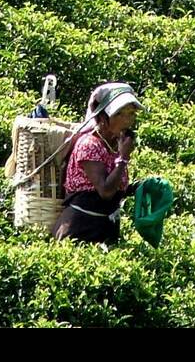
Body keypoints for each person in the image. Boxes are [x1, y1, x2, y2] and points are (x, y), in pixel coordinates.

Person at [52, 82, 143, 245]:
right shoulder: (89, 144)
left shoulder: (116, 145)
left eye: (131, 113)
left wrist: (135, 188)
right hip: (80, 230)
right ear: (102, 117)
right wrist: (123, 158)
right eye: (120, 114)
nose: (127, 120)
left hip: (105, 229)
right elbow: (105, 191)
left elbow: (113, 189)